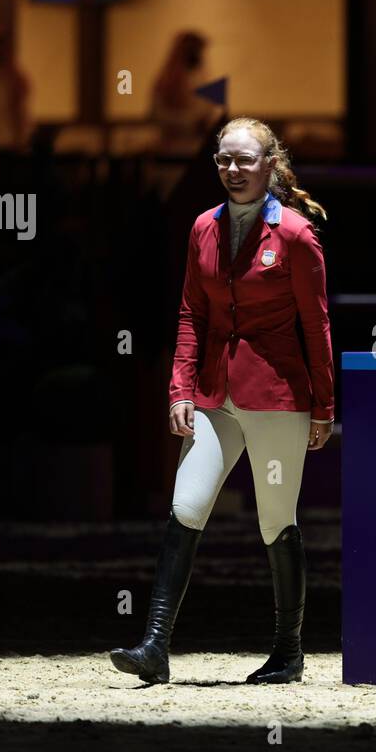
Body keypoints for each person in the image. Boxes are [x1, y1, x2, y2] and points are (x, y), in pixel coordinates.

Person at [110, 116, 334, 686]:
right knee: (186, 504)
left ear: (270, 165)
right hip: (215, 392)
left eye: (245, 160)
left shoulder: (296, 236)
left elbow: (318, 324)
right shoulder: (202, 229)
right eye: (224, 160)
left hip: (278, 397)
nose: (233, 170)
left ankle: (288, 650)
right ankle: (155, 644)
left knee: (274, 520)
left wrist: (325, 407)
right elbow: (191, 312)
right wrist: (179, 387)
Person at [151, 31, 228, 155]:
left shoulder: (202, 79)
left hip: (196, 150)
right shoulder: (166, 81)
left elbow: (209, 113)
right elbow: (158, 115)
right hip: (171, 150)